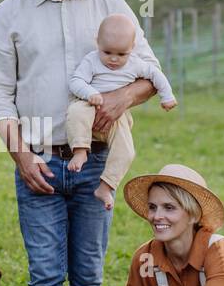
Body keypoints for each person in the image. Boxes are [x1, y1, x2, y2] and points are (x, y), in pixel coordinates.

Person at [0, 0, 160, 286]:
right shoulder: (9, 13)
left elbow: (151, 75)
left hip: (96, 164)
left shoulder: (112, 6)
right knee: (45, 278)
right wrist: (22, 157)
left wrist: (121, 98)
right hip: (38, 162)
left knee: (88, 278)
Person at [66, 13, 177, 209]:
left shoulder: (136, 63)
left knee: (127, 150)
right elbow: (76, 81)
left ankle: (106, 186)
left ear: (132, 48)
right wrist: (89, 93)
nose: (114, 59)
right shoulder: (92, 60)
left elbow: (156, 75)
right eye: (107, 52)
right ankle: (80, 150)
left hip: (117, 116)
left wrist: (167, 96)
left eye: (121, 54)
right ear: (97, 43)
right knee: (76, 112)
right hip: (90, 104)